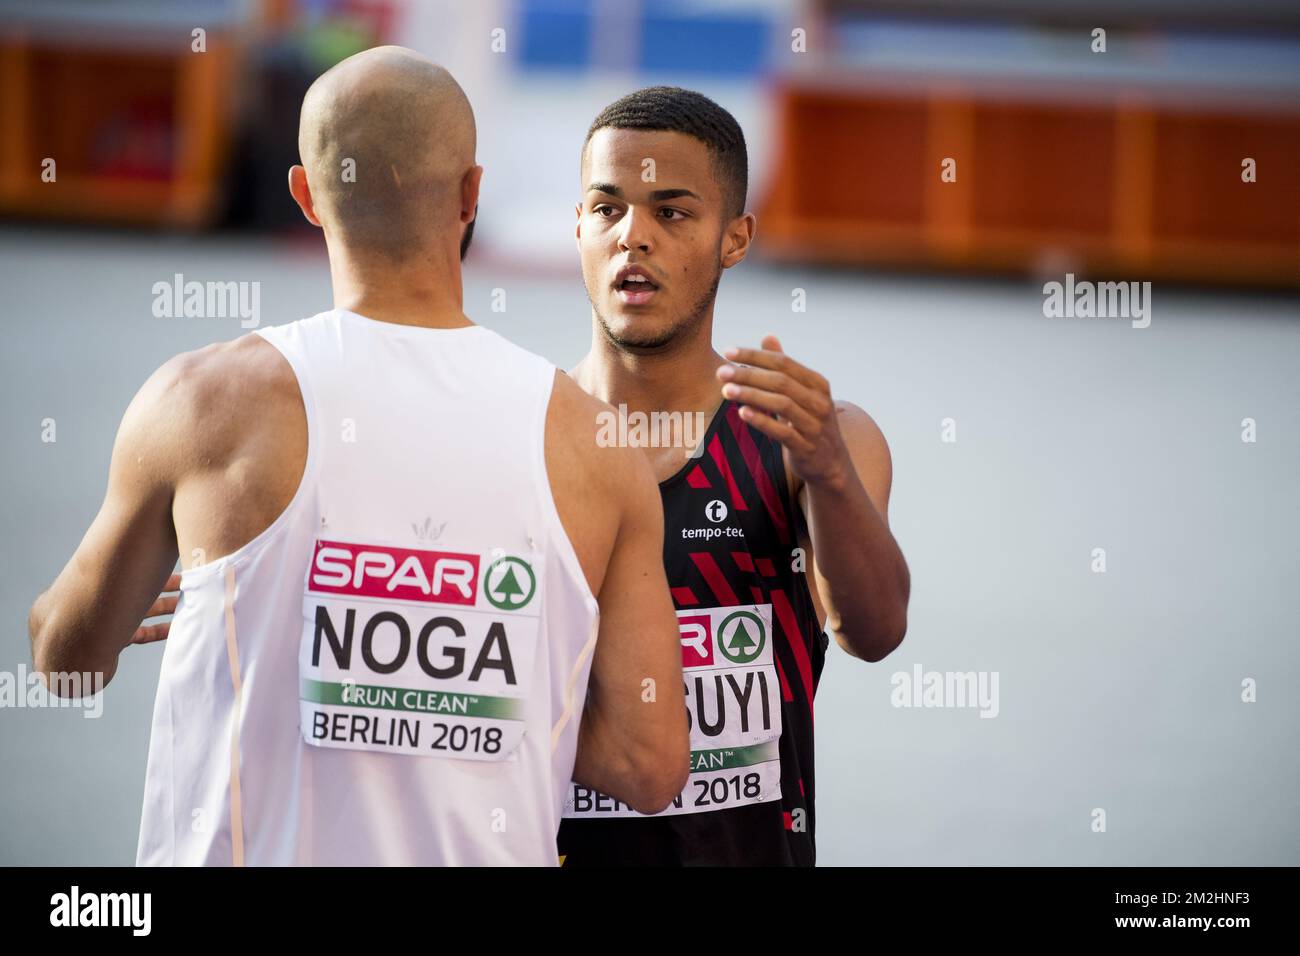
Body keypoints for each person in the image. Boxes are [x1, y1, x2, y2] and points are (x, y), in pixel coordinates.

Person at [27, 48, 688, 866]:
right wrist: (494, 686)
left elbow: (65, 663)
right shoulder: (594, 444)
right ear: (471, 195)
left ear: (304, 193)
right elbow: (649, 765)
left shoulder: (199, 401)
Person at [556, 87, 911, 865]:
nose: (632, 238)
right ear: (576, 225)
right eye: (607, 209)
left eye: (672, 212)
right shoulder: (516, 432)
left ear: (735, 237)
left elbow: (875, 632)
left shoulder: (813, 439)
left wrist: (830, 475)